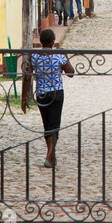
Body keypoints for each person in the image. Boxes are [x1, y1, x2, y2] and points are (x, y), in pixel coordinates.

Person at [26, 27, 75, 168]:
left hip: (41, 94)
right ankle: (50, 155)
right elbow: (70, 73)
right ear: (53, 41)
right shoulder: (59, 55)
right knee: (54, 125)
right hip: (57, 93)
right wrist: (65, 56)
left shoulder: (34, 56)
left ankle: (50, 154)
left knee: (47, 125)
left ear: (41, 42)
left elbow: (27, 77)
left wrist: (24, 98)